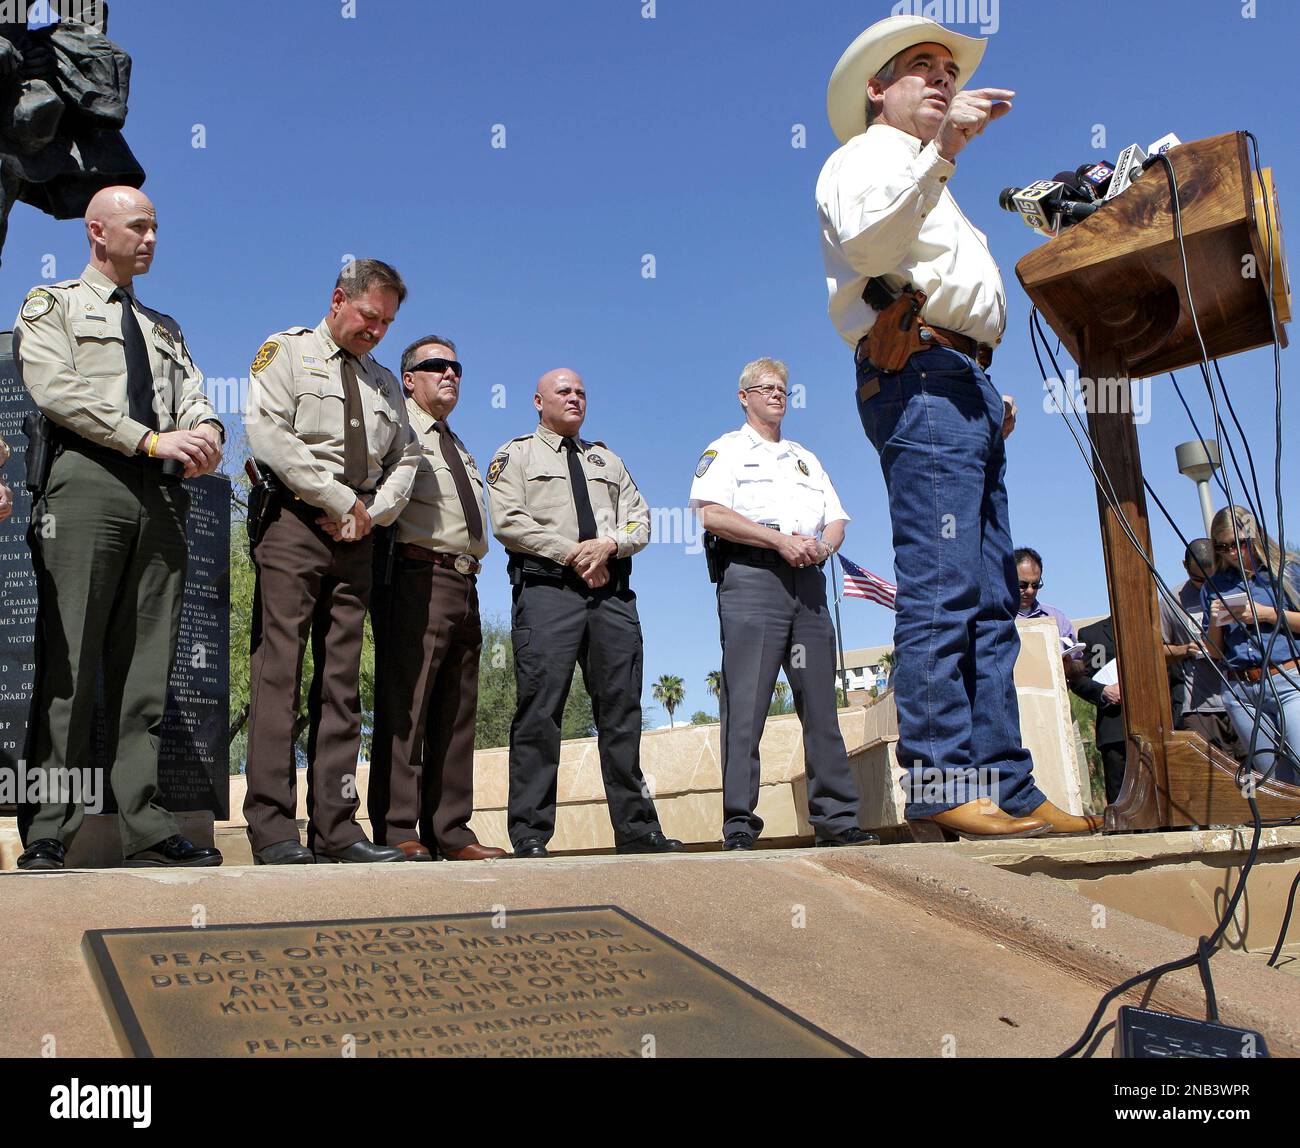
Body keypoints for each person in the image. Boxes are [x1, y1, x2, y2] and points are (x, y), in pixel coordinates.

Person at [816, 15, 1099, 839]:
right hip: (924, 376)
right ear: (877, 88)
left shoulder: (928, 175)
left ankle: (1005, 786)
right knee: (943, 585)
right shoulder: (863, 160)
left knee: (989, 598)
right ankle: (941, 788)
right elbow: (872, 244)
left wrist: (981, 375)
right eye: (921, 67)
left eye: (949, 67)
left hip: (962, 380)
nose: (943, 77)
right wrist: (946, 154)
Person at [14, 185, 224, 870]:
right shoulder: (53, 305)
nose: (151, 239)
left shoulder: (166, 326)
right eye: (138, 227)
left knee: (146, 668)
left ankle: (143, 823)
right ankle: (51, 825)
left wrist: (209, 431)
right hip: (88, 482)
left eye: (157, 227)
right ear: (96, 232)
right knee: (70, 661)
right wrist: (147, 439)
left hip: (160, 497)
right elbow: (56, 389)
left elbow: (193, 391)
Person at [243, 259, 418, 864]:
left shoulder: (386, 383)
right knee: (279, 675)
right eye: (370, 316)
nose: (377, 331)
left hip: (358, 539)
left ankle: (338, 831)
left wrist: (370, 511)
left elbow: (406, 460)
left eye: (388, 323)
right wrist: (340, 500)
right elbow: (269, 435)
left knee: (342, 686)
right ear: (340, 299)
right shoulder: (285, 352)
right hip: (294, 524)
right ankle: (271, 831)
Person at [487, 368, 682, 858]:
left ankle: (638, 829)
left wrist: (609, 545)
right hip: (548, 593)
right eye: (563, 392)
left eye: (581, 392)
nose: (574, 398)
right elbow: (509, 522)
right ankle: (530, 834)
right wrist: (574, 552)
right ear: (537, 401)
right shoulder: (515, 455)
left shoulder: (607, 460)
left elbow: (641, 519)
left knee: (622, 714)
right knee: (540, 713)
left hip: (611, 598)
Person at [689, 357, 878, 851]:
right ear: (743, 397)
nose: (777, 394)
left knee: (822, 706)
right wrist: (777, 542)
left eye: (783, 389)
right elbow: (711, 514)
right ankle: (739, 825)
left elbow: (836, 519)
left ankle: (836, 821)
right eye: (766, 387)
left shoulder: (805, 458)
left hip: (808, 581)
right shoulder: (725, 450)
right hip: (753, 579)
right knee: (747, 704)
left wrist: (824, 545)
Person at [368, 336, 506, 862]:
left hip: (467, 581)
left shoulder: (459, 444)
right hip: (415, 574)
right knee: (410, 703)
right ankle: (397, 826)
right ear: (409, 378)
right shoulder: (396, 430)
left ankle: (451, 829)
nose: (450, 374)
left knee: (456, 710)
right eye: (436, 366)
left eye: (456, 367)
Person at [1202, 506, 1300, 785]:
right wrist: (1216, 621)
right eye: (1223, 547)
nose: (1232, 553)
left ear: (1254, 537)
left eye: (1238, 544)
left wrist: (1267, 614)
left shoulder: (1285, 572)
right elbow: (1213, 651)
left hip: (1287, 680)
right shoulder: (1214, 585)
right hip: (1241, 690)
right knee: (1274, 781)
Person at [1160, 538, 1245, 760]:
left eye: (1210, 577)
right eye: (1197, 579)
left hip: (1244, 697)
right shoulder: (1172, 600)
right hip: (1201, 705)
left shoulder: (1236, 587)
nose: (1203, 585)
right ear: (1184, 566)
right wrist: (1185, 650)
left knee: (1258, 773)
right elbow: (1157, 650)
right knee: (1216, 780)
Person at [1069, 617, 1125, 804]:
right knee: (1120, 799)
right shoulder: (1091, 634)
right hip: (1114, 729)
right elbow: (1077, 680)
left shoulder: (1155, 627)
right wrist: (1103, 691)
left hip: (1157, 728)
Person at [1015, 547, 1081, 659]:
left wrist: (1073, 665)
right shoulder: (995, 618)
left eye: (1035, 585)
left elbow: (1077, 658)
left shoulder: (1057, 618)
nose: (1030, 591)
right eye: (1023, 585)